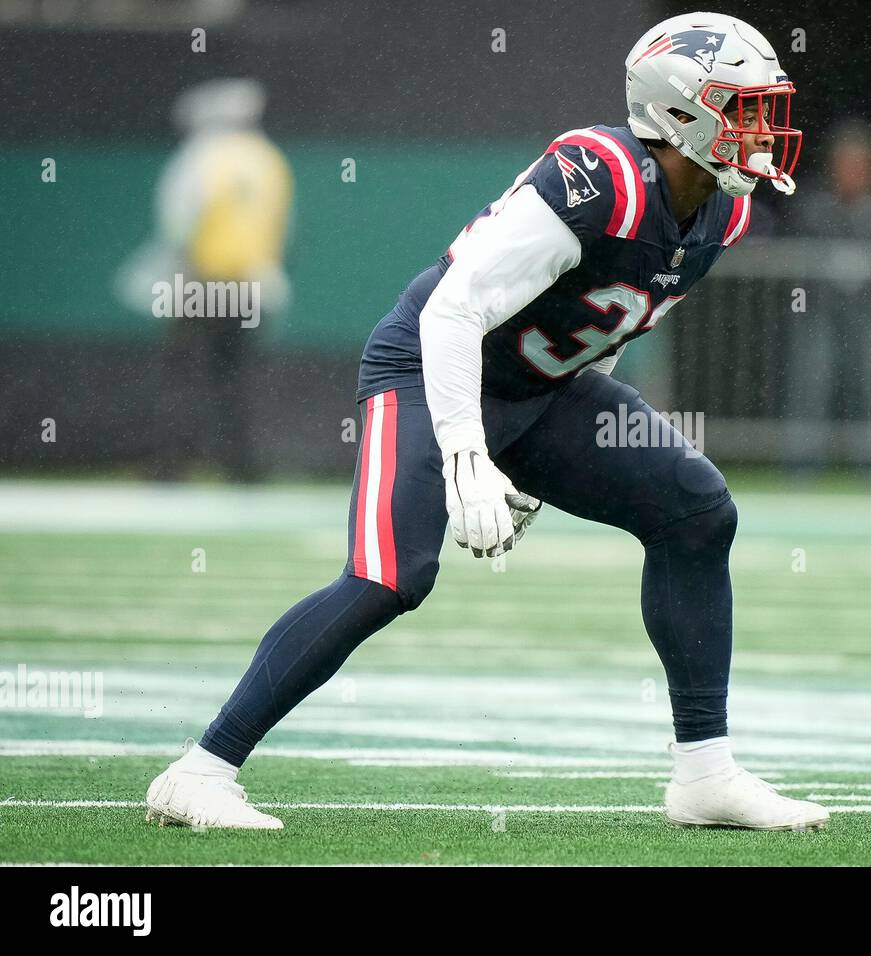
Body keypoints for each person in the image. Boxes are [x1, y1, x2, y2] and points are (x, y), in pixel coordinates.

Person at [144, 13, 829, 833]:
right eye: (743, 107)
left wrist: (550, 461)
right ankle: (201, 769)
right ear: (680, 113)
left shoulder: (723, 210)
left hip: (544, 389)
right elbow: (454, 309)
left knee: (696, 512)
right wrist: (470, 456)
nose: (763, 129)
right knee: (391, 577)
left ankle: (706, 775)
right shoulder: (596, 175)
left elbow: (607, 324)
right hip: (429, 366)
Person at [115, 78, 293, 481]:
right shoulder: (268, 160)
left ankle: (169, 467)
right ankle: (243, 469)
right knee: (237, 378)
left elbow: (178, 226)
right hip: (252, 286)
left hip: (202, 282)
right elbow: (283, 228)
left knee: (184, 376)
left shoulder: (200, 158)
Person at [785, 120, 871, 471]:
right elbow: (794, 254)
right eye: (846, 164)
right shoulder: (812, 204)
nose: (853, 172)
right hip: (818, 313)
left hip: (870, 313)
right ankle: (801, 465)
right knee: (810, 386)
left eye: (861, 164)